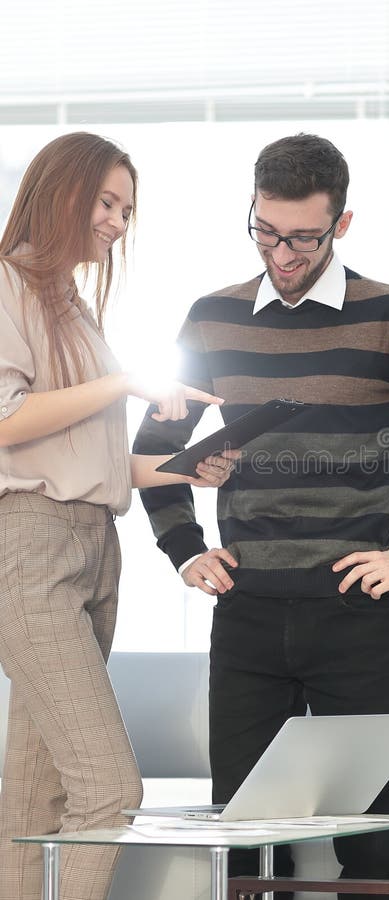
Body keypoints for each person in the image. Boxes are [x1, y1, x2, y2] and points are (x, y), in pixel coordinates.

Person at [132, 132, 389, 893]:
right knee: (241, 850)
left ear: (341, 224)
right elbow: (155, 453)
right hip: (244, 618)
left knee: (372, 851)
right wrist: (184, 548)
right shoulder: (211, 317)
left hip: (356, 617)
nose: (282, 253)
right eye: (266, 231)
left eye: (303, 237)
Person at [0, 132, 235, 900]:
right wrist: (125, 383)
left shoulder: (70, 308)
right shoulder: (5, 285)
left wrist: (185, 470)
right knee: (111, 788)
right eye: (106, 202)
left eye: (126, 209)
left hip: (95, 548)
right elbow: (4, 422)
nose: (117, 223)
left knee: (38, 802)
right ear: (60, 190)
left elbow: (87, 457)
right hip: (31, 548)